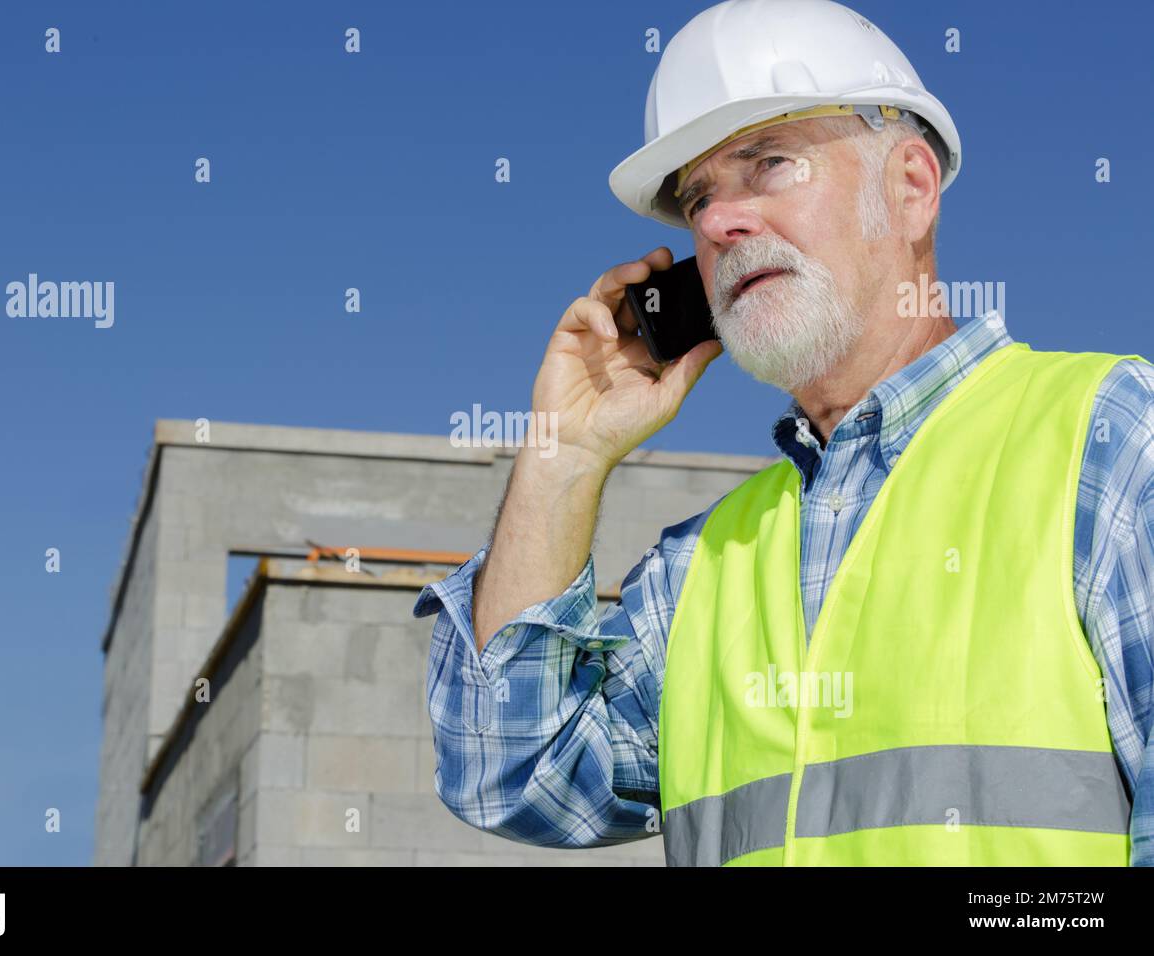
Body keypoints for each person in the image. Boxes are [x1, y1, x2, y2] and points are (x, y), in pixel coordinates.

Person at [413, 0, 1154, 865]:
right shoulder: (700, 570)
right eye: (699, 197)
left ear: (911, 190)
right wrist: (563, 457)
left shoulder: (1107, 439)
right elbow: (508, 772)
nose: (722, 223)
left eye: (768, 164)